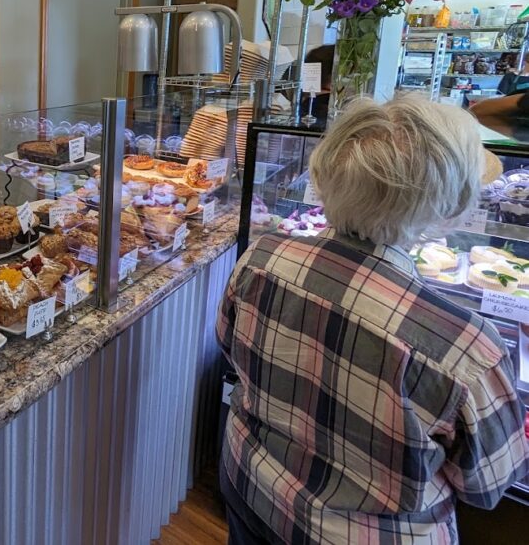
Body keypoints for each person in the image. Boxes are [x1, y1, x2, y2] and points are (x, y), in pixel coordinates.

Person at [217, 96, 528, 543]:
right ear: (448, 207)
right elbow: (488, 484)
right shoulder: (466, 346)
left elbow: (231, 352)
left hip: (252, 486)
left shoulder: (261, 258)